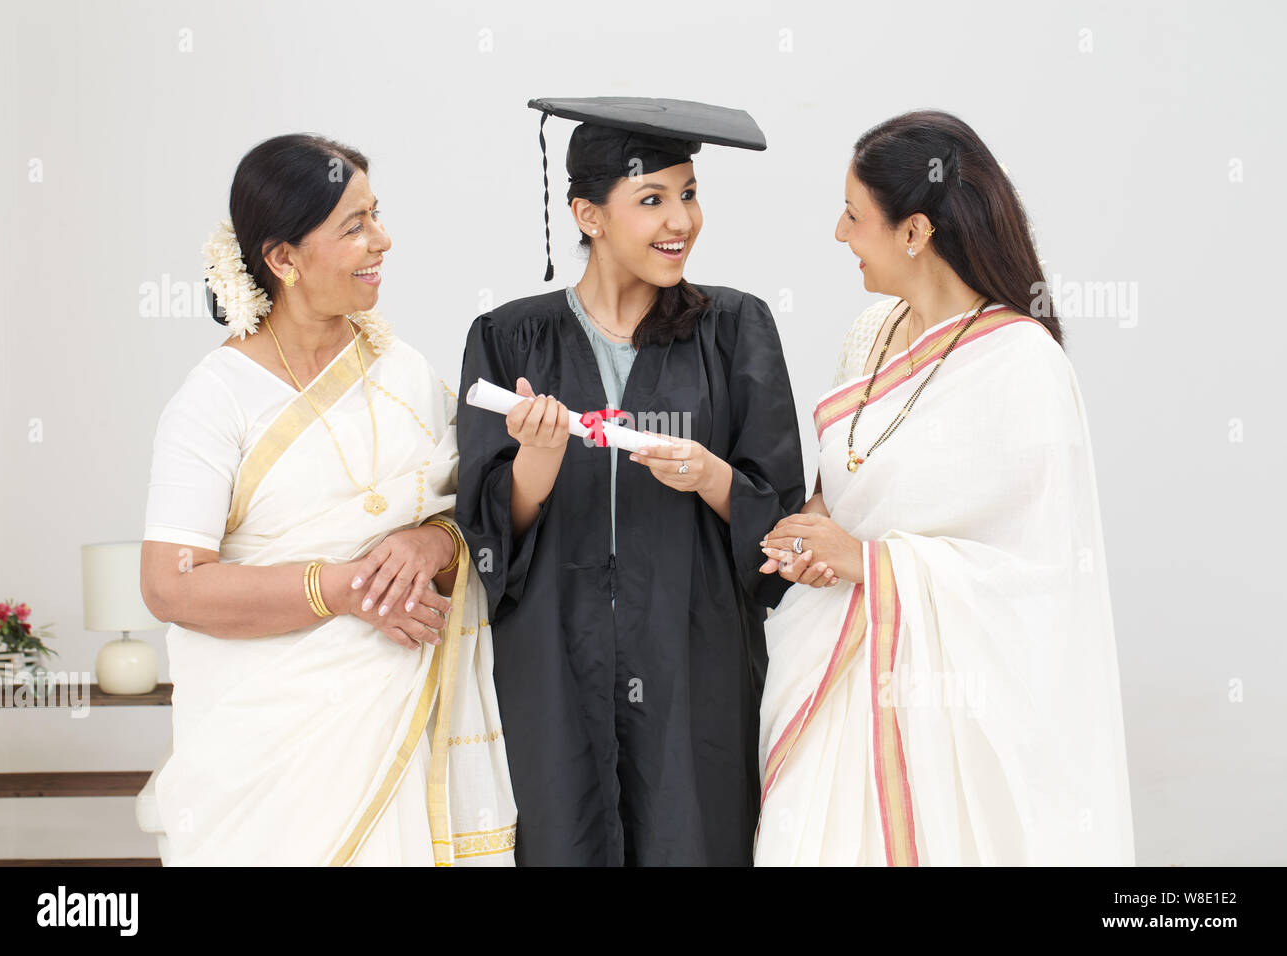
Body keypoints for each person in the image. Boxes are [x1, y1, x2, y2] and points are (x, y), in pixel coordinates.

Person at [753, 110, 1135, 865]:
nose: (838, 232)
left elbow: (1039, 579)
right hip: (835, 671)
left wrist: (868, 562)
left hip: (947, 704)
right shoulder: (870, 335)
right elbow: (846, 479)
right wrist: (810, 535)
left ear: (914, 232)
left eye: (854, 214)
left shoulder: (1022, 364)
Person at [140, 133, 515, 866]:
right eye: (354, 226)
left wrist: (434, 541)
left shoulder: (403, 374)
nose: (382, 240)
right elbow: (170, 585)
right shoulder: (215, 399)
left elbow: (474, 507)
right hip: (275, 755)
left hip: (406, 716)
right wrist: (342, 589)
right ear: (283, 259)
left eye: (376, 214)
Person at [455, 98, 806, 865]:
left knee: (692, 837)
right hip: (555, 656)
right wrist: (537, 460)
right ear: (589, 215)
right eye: (652, 199)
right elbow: (484, 538)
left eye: (689, 194)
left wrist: (713, 476)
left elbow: (784, 526)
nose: (681, 220)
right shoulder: (509, 337)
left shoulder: (734, 329)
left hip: (694, 658)